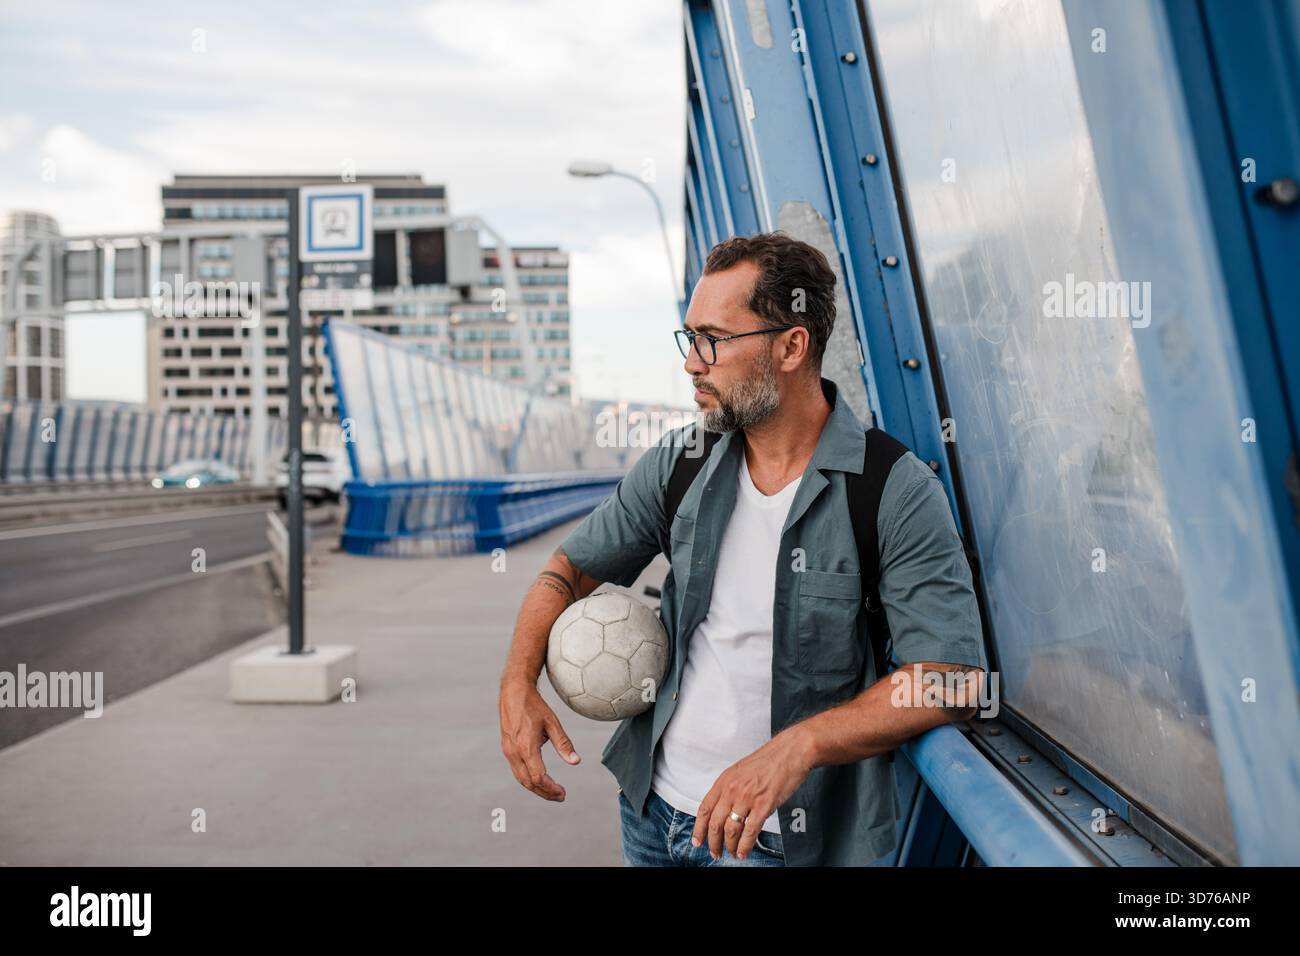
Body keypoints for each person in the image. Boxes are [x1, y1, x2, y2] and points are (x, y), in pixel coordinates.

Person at [499, 231, 987, 866]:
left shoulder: (891, 491)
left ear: (791, 346)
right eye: (690, 337)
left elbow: (950, 679)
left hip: (771, 840)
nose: (692, 362)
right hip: (652, 812)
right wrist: (517, 679)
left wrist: (798, 746)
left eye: (714, 339)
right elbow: (567, 571)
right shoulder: (683, 461)